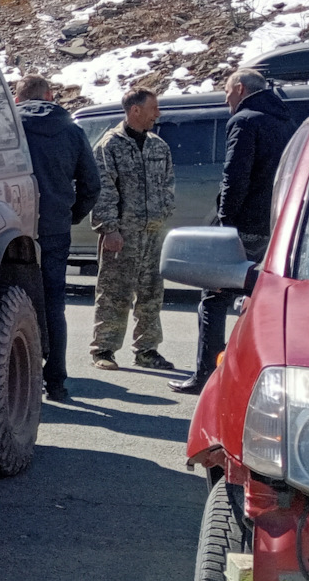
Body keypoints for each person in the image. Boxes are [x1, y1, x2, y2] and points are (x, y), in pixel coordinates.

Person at [171, 68, 295, 394]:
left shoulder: (244, 122)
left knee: (213, 298)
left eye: (227, 91)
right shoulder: (287, 121)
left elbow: (235, 176)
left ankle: (207, 376)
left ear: (240, 88)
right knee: (261, 299)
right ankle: (255, 373)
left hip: (245, 226)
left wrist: (226, 223)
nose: (226, 99)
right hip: (275, 225)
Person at [16, 75, 101, 401]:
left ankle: (23, 378)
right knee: (54, 303)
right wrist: (71, 215)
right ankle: (56, 381)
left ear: (18, 99)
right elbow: (92, 185)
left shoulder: (10, 128)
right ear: (50, 96)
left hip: (13, 229)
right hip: (55, 228)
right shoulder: (72, 130)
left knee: (14, 303)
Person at [89, 87, 177, 371]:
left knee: (151, 294)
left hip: (153, 234)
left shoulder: (158, 146)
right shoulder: (109, 146)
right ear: (135, 110)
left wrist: (163, 215)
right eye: (153, 108)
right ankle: (104, 349)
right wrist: (109, 229)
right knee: (114, 293)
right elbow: (103, 190)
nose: (158, 114)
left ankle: (147, 351)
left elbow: (168, 185)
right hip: (122, 235)